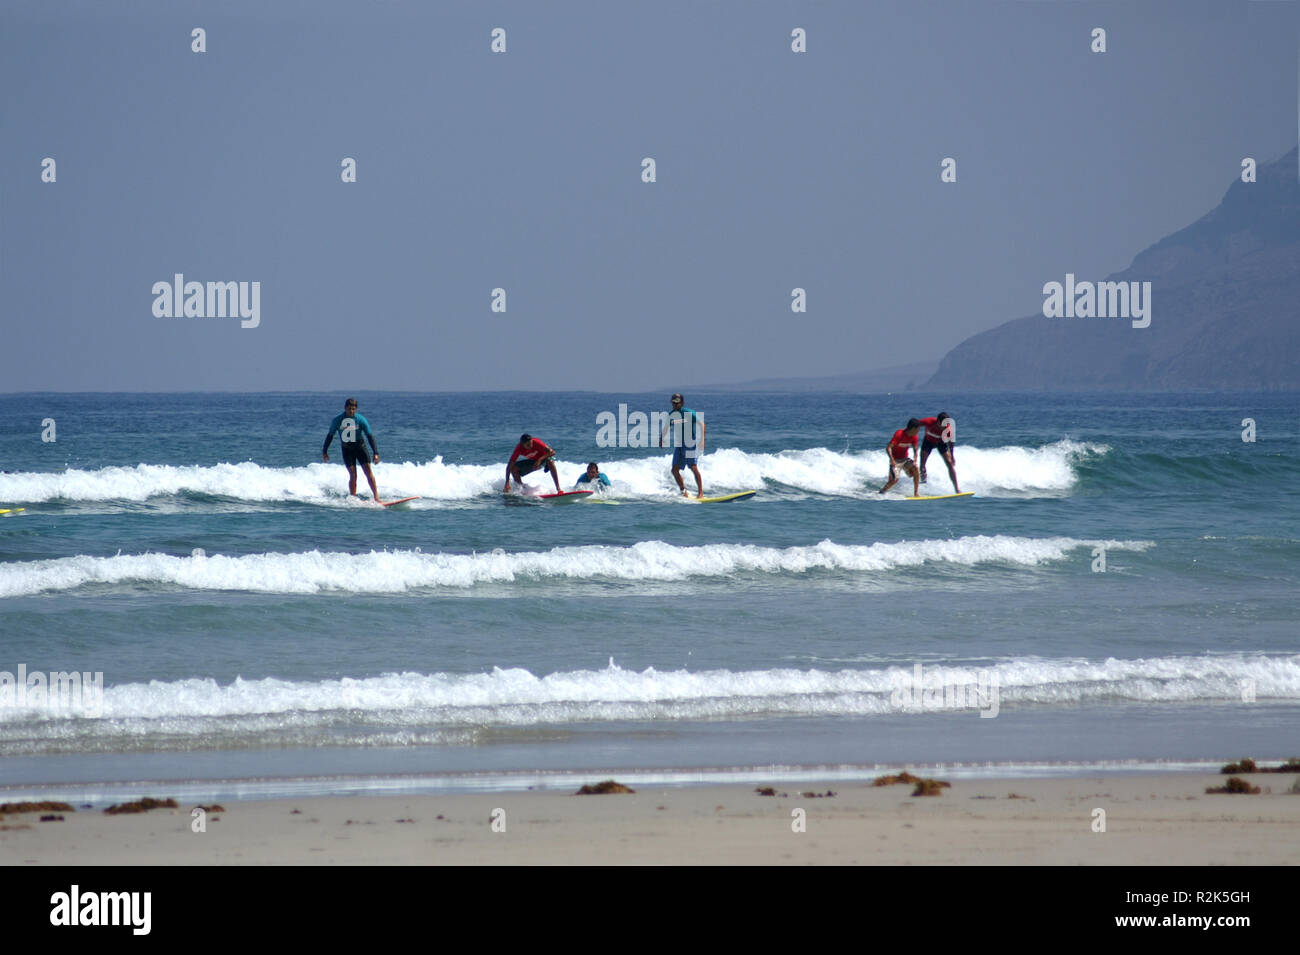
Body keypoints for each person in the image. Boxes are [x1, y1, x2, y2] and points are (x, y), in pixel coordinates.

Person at [322, 397, 381, 501]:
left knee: (368, 471)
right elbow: (330, 435)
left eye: (353, 409)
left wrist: (376, 453)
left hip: (360, 447)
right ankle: (353, 498)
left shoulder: (361, 420)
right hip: (347, 449)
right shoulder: (337, 420)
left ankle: (376, 497)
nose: (351, 411)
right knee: (353, 475)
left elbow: (369, 436)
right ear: (345, 408)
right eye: (349, 409)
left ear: (356, 409)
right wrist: (325, 451)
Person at [659, 393, 706, 498]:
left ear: (682, 403)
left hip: (690, 443)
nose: (675, 405)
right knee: (674, 470)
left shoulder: (689, 413)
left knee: (693, 467)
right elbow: (666, 427)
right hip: (679, 444)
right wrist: (661, 439)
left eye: (677, 403)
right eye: (673, 403)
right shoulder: (671, 414)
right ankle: (683, 491)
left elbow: (702, 424)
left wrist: (702, 440)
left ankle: (701, 493)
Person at [878, 418, 922, 496]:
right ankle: (882, 491)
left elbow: (915, 448)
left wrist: (915, 459)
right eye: (918, 429)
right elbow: (888, 447)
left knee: (915, 469)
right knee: (894, 479)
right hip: (895, 460)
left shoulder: (914, 436)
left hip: (905, 459)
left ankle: (916, 493)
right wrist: (892, 460)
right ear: (913, 428)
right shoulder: (899, 434)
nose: (919, 431)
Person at [917, 412, 959, 492]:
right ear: (938, 422)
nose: (944, 427)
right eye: (943, 425)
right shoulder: (929, 421)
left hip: (941, 443)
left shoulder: (948, 430)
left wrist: (952, 456)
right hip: (928, 442)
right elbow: (915, 425)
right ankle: (923, 484)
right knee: (922, 464)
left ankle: (956, 488)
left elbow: (951, 443)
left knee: (950, 464)